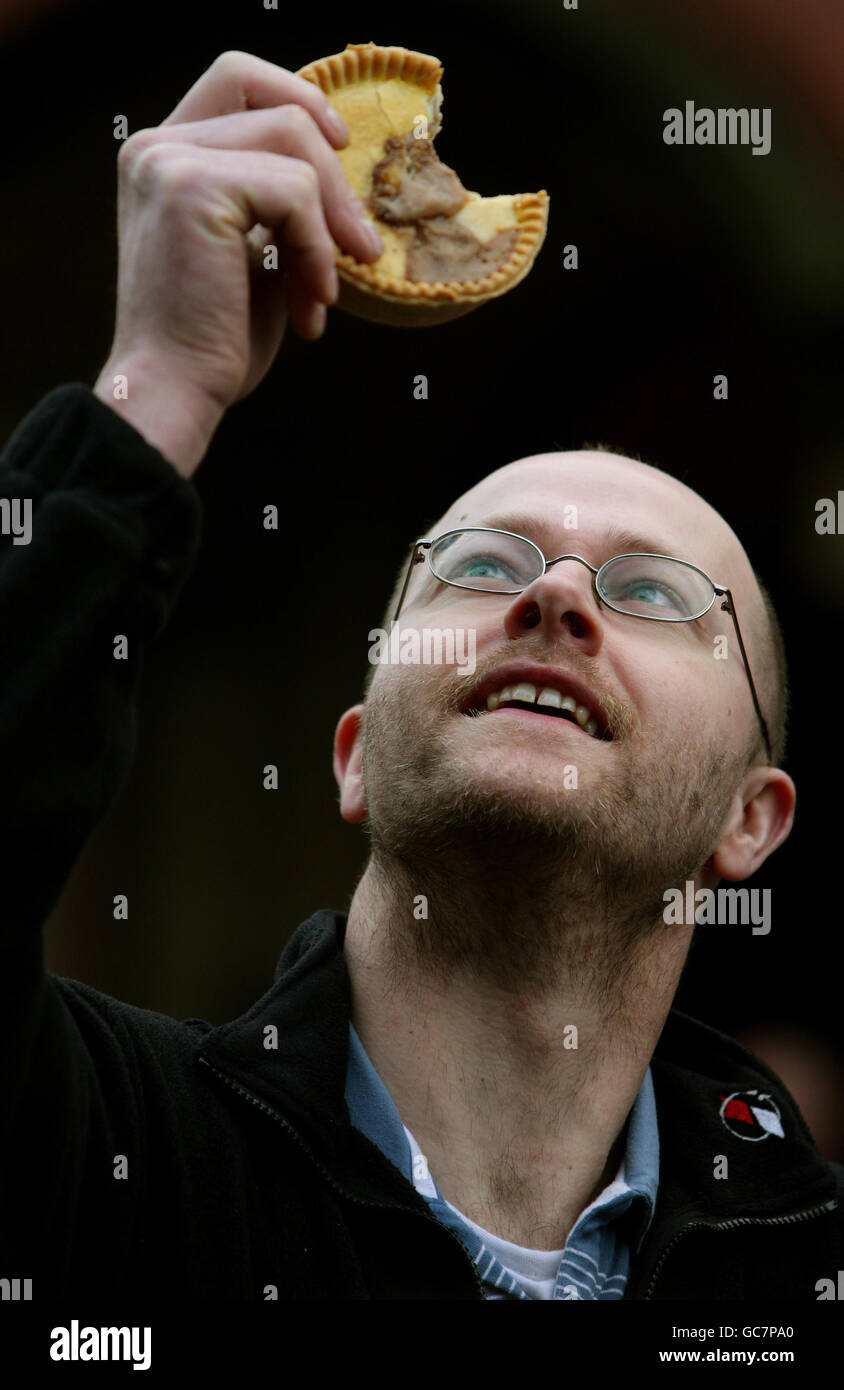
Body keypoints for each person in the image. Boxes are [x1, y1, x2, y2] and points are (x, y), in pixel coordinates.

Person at [1, 51, 841, 1303]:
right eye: (483, 564)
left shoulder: (797, 1282)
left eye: (656, 593)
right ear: (353, 754)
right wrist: (151, 393)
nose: (552, 597)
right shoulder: (105, 1158)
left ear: (750, 817)